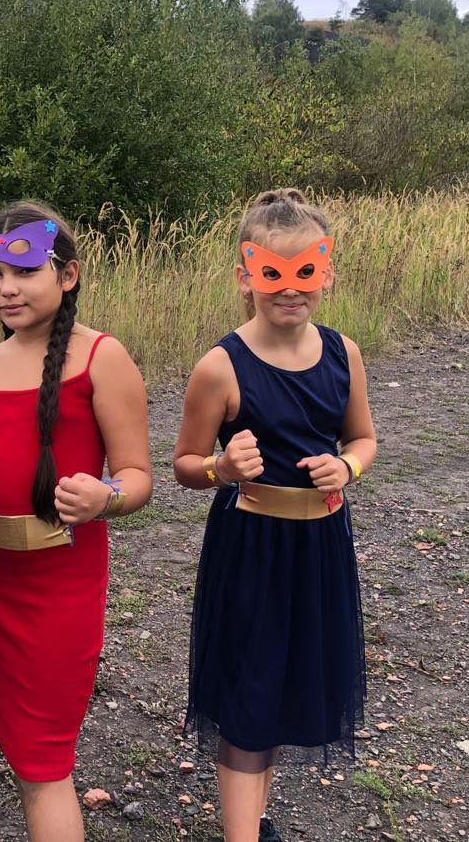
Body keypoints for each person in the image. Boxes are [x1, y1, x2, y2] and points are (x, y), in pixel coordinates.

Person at [0, 202, 152, 842]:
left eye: (24, 271)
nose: (7, 288)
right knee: (20, 738)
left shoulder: (102, 358)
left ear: (69, 275)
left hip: (62, 577)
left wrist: (105, 496)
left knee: (44, 754)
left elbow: (138, 476)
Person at [172, 189, 377, 842]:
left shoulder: (345, 355)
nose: (291, 289)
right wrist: (221, 470)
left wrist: (346, 468)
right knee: (248, 693)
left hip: (320, 547)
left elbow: (364, 439)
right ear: (245, 275)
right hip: (252, 549)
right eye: (272, 274)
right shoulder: (220, 367)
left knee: (287, 683)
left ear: (328, 271)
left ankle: (254, 819)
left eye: (306, 272)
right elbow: (183, 464)